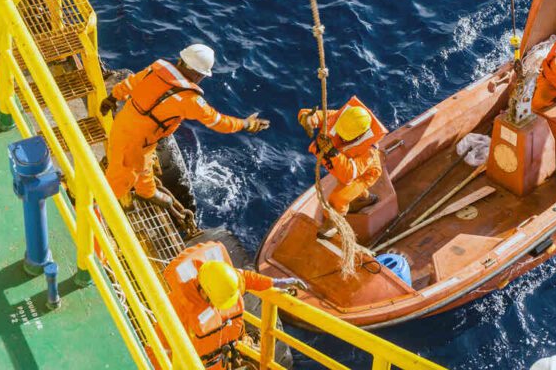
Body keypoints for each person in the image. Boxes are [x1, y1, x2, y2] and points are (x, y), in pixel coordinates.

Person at [101, 44, 270, 207]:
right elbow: (218, 122)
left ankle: (146, 192)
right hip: (135, 144)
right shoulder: (189, 100)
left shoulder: (156, 68)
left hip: (126, 125)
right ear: (198, 75)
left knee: (145, 162)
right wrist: (246, 124)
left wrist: (112, 97)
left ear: (181, 60)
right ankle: (95, 209)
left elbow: (130, 83)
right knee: (121, 178)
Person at [161, 241, 305, 369]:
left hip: (228, 353)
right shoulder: (178, 307)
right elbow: (161, 346)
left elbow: (248, 278)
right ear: (202, 290)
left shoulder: (227, 282)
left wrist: (275, 282)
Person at [298, 97, 388, 238]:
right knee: (353, 192)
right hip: (345, 163)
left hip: (365, 173)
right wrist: (307, 119)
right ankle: (365, 199)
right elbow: (316, 115)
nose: (340, 138)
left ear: (360, 136)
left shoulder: (369, 150)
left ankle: (334, 222)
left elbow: (349, 174)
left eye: (345, 137)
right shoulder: (341, 117)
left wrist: (333, 153)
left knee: (339, 197)